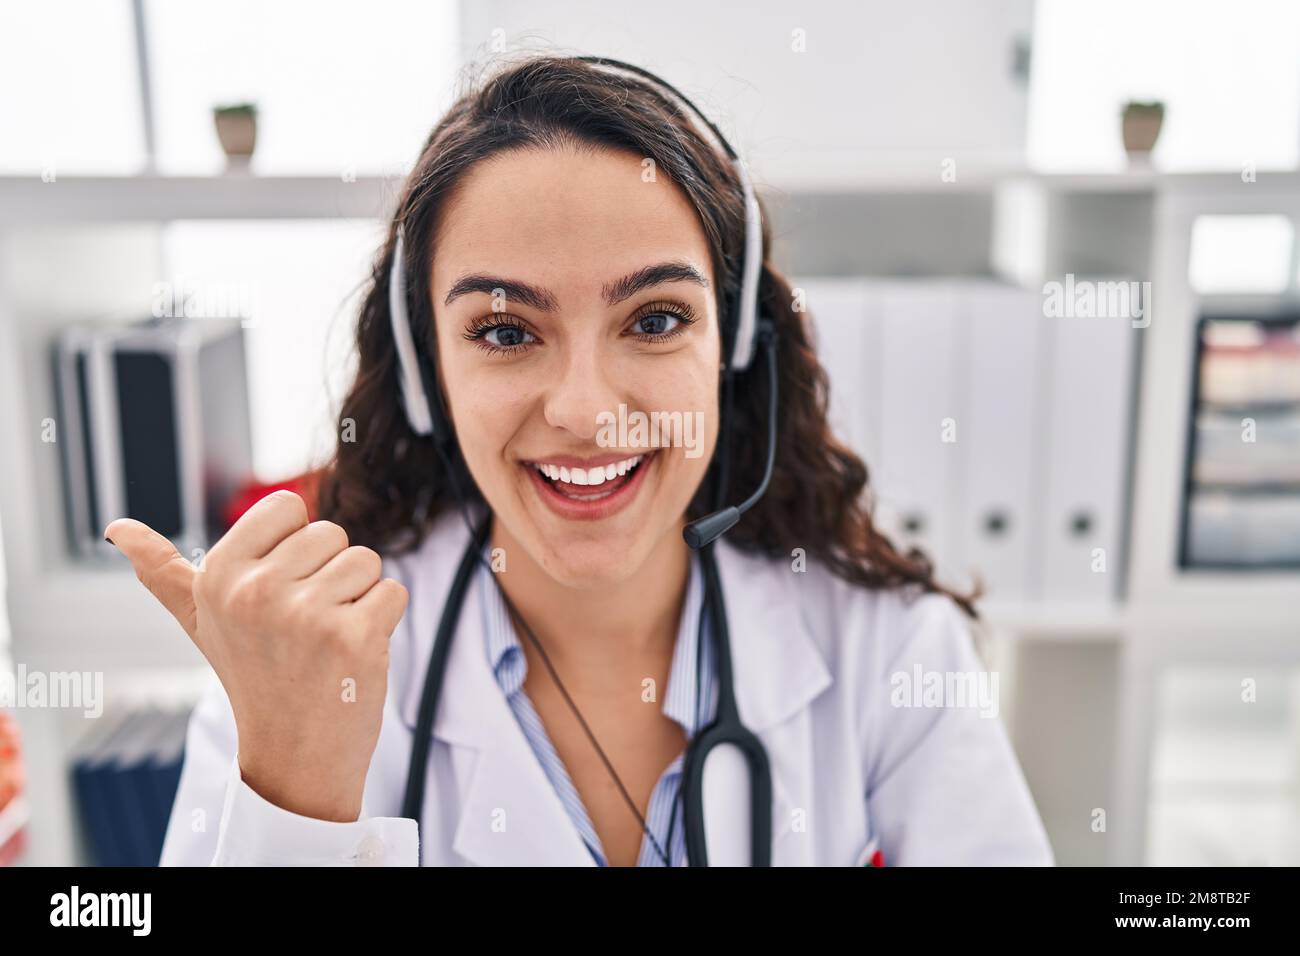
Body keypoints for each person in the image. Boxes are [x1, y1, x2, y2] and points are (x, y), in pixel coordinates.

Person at [107, 54, 1052, 867]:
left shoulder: (886, 647)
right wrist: (296, 794)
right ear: (429, 366)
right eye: (507, 330)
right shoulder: (302, 668)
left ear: (735, 348)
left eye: (654, 319)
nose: (588, 413)